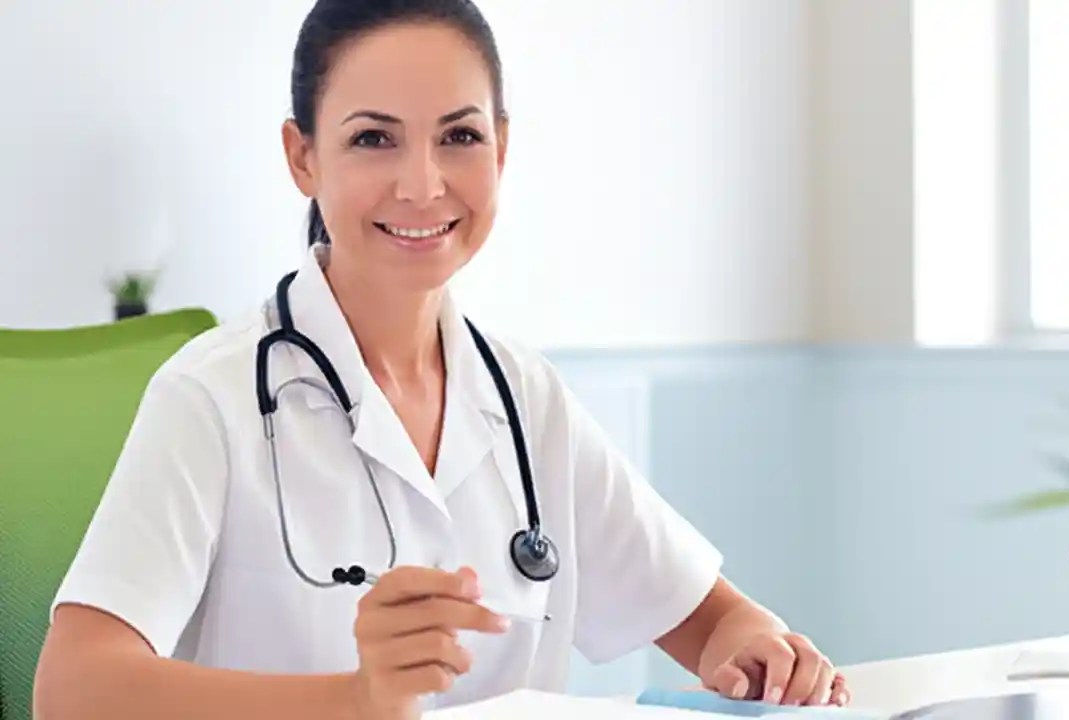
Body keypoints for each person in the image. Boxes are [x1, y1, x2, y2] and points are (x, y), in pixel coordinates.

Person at [32, 1, 849, 718]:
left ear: (500, 148)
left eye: (458, 135)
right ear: (302, 158)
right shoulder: (212, 397)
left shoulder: (524, 398)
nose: (422, 186)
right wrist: (351, 704)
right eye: (373, 139)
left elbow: (707, 618)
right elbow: (73, 691)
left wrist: (758, 649)